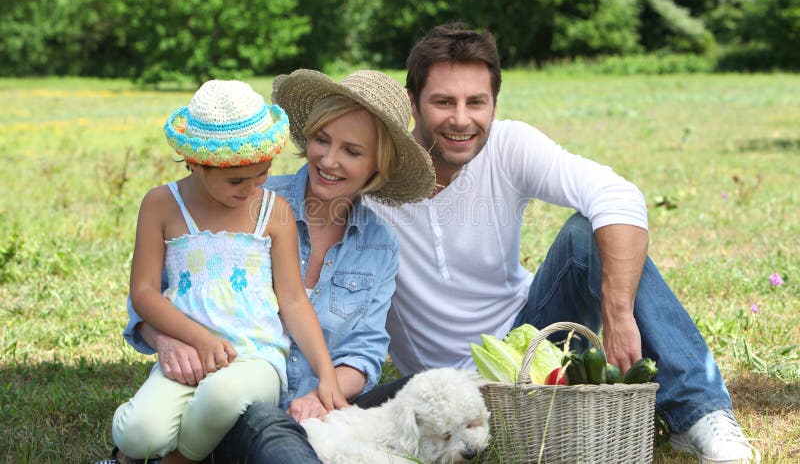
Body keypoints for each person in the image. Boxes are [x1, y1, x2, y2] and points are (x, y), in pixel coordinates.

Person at [363, 23, 761, 463]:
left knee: (584, 234)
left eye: (476, 102)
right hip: (444, 387)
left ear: (494, 104)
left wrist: (618, 311)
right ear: (413, 103)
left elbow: (616, 194)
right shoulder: (373, 175)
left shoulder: (508, 144)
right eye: (443, 102)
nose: (461, 119)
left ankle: (700, 416)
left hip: (535, 333)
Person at [117, 70, 435, 463]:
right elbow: (151, 295)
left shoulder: (378, 245)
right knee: (273, 437)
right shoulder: (246, 196)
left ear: (378, 166)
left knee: (426, 387)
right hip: (237, 404)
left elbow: (365, 350)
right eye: (321, 140)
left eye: (352, 151)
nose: (329, 160)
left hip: (303, 399)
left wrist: (324, 392)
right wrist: (172, 340)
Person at [110, 79, 348, 463]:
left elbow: (292, 299)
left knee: (222, 397)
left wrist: (327, 373)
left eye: (263, 173)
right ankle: (136, 451)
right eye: (237, 180)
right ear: (196, 163)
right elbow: (144, 293)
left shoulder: (274, 213)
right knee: (140, 435)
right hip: (187, 356)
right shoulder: (160, 205)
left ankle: (181, 458)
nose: (252, 188)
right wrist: (197, 340)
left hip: (255, 357)